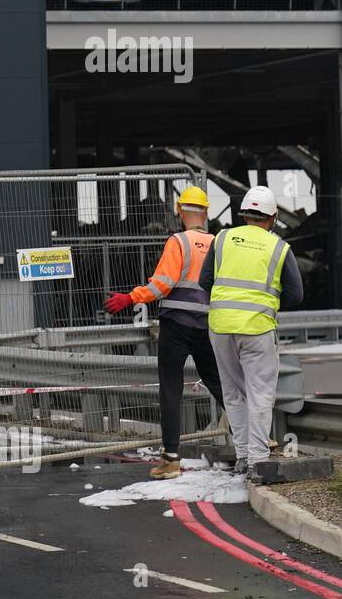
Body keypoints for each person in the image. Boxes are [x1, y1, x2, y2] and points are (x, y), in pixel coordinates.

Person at [103, 185, 224, 480]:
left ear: (180, 211)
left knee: (170, 389)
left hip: (176, 326)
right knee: (221, 385)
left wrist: (131, 297)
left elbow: (162, 284)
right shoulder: (220, 244)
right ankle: (257, 443)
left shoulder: (177, 242)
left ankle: (171, 459)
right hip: (208, 325)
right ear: (206, 213)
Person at [199, 185, 303, 476]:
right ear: (273, 217)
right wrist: (266, 302)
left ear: (244, 214)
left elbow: (205, 281)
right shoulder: (279, 248)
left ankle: (243, 454)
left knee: (233, 393)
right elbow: (296, 295)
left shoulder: (222, 239)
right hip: (257, 328)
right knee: (259, 394)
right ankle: (257, 459)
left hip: (220, 327)